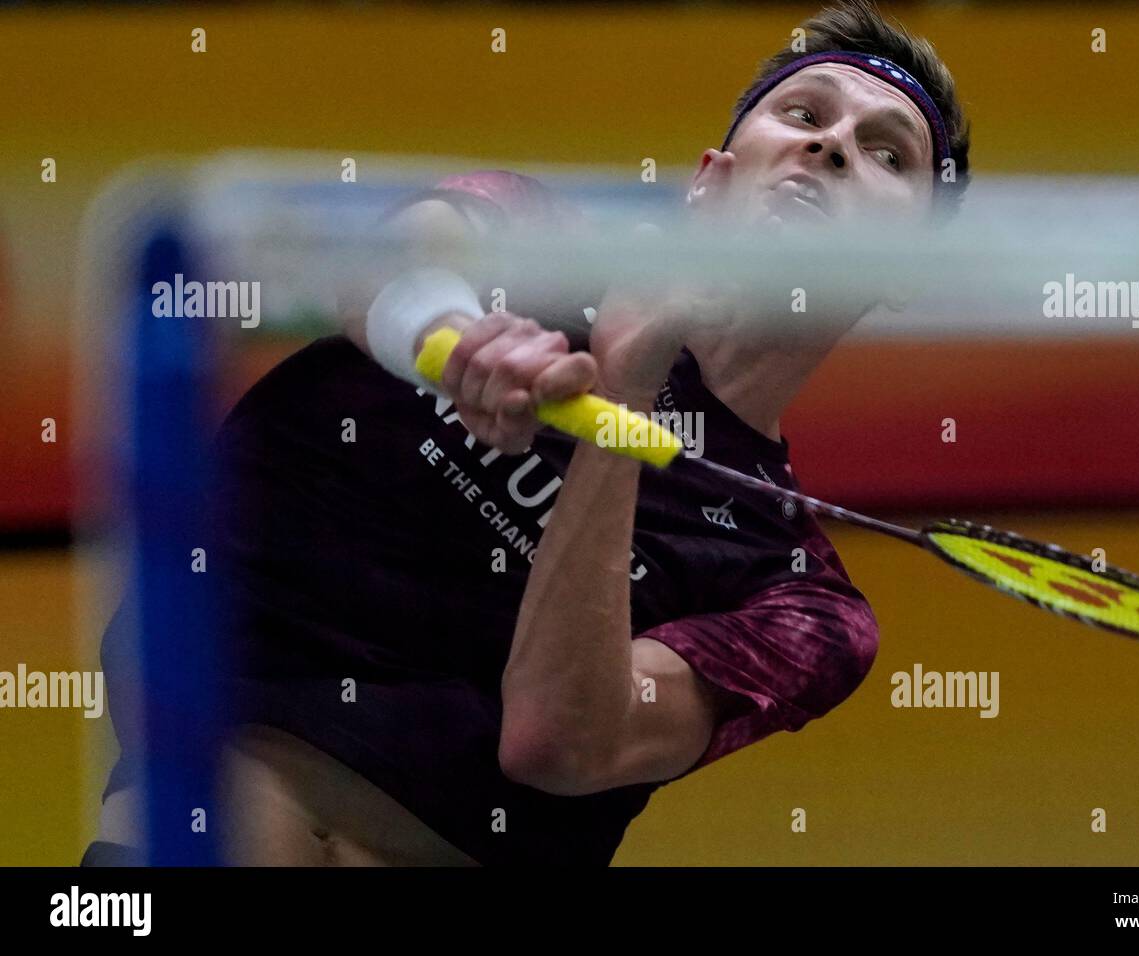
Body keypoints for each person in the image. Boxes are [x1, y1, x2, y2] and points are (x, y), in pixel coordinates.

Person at [87, 0, 970, 866]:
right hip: (217, 787)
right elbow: (373, 262)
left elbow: (557, 745)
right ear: (709, 179)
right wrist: (453, 341)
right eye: (805, 114)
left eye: (886, 151)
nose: (831, 145)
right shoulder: (537, 240)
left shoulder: (804, 604)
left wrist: (622, 400)